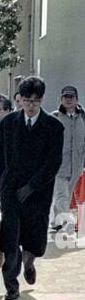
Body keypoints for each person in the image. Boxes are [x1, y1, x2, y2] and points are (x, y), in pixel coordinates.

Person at [0, 75, 65, 300]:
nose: (30, 105)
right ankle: (11, 285)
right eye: (26, 100)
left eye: (35, 100)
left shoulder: (54, 127)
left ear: (41, 100)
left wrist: (32, 186)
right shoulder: (8, 123)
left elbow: (54, 163)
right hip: (11, 189)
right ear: (19, 100)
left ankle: (30, 263)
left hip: (39, 193)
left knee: (34, 238)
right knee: (10, 239)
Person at [49, 85, 85, 231]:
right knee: (62, 194)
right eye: (65, 97)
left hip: (76, 164)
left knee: (65, 194)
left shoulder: (83, 117)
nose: (68, 100)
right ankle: (66, 223)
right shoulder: (55, 117)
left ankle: (55, 221)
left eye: (71, 97)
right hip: (58, 164)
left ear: (77, 99)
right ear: (61, 99)